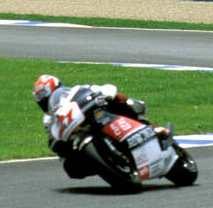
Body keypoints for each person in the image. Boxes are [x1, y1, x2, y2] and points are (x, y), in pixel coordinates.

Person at [32, 74, 160, 178]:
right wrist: (59, 145)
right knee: (70, 168)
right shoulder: (49, 120)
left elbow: (100, 89)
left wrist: (105, 93)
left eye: (48, 98)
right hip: (80, 136)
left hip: (99, 116)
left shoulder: (75, 91)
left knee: (117, 100)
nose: (47, 104)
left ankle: (152, 128)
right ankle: (105, 166)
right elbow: (53, 140)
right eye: (44, 102)